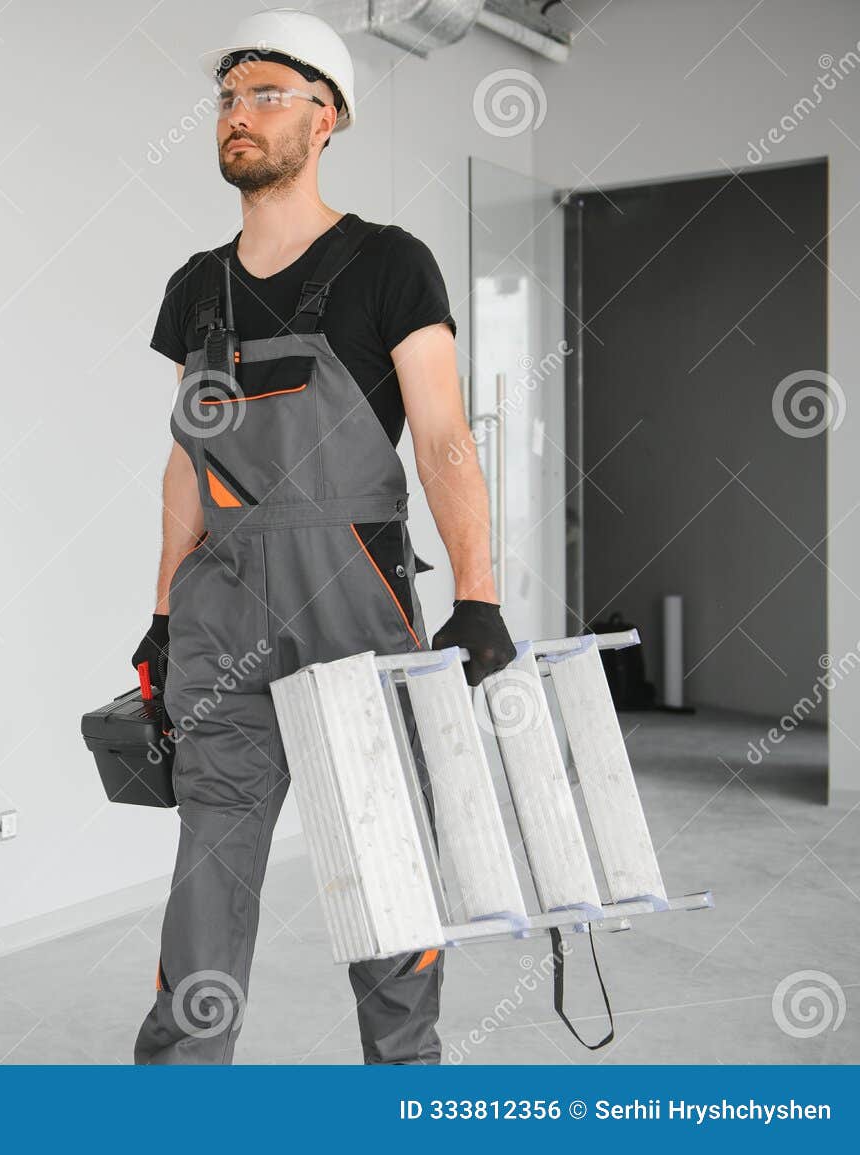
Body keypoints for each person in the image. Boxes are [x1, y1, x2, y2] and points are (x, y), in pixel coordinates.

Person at [130, 8, 515, 1065]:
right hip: (221, 606)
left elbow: (441, 440)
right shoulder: (192, 290)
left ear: (328, 115)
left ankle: (403, 1087)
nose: (236, 115)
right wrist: (163, 614)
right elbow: (185, 466)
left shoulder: (390, 265)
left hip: (353, 598)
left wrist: (477, 598)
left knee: (381, 869)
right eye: (225, 97)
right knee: (207, 875)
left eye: (264, 93)